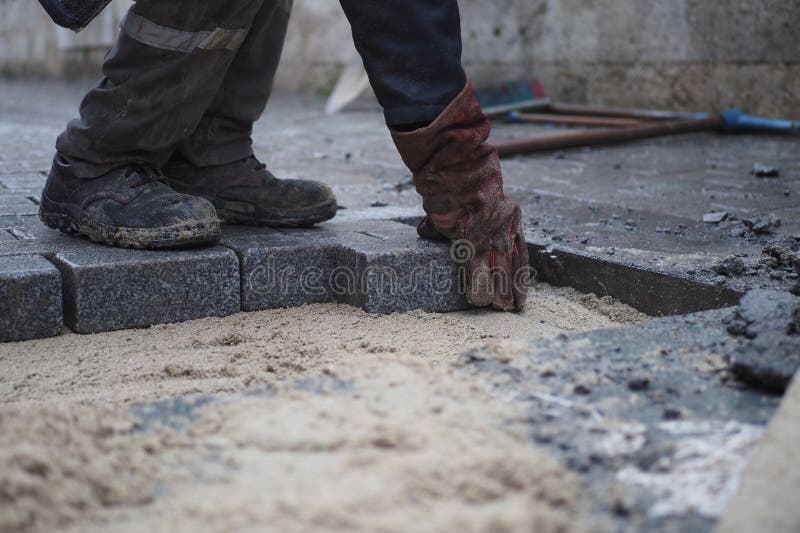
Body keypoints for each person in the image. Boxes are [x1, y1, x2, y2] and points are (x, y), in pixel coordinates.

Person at [39, 0, 529, 311]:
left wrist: (450, 161)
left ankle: (205, 152)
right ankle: (97, 160)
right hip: (96, 158)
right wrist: (457, 157)